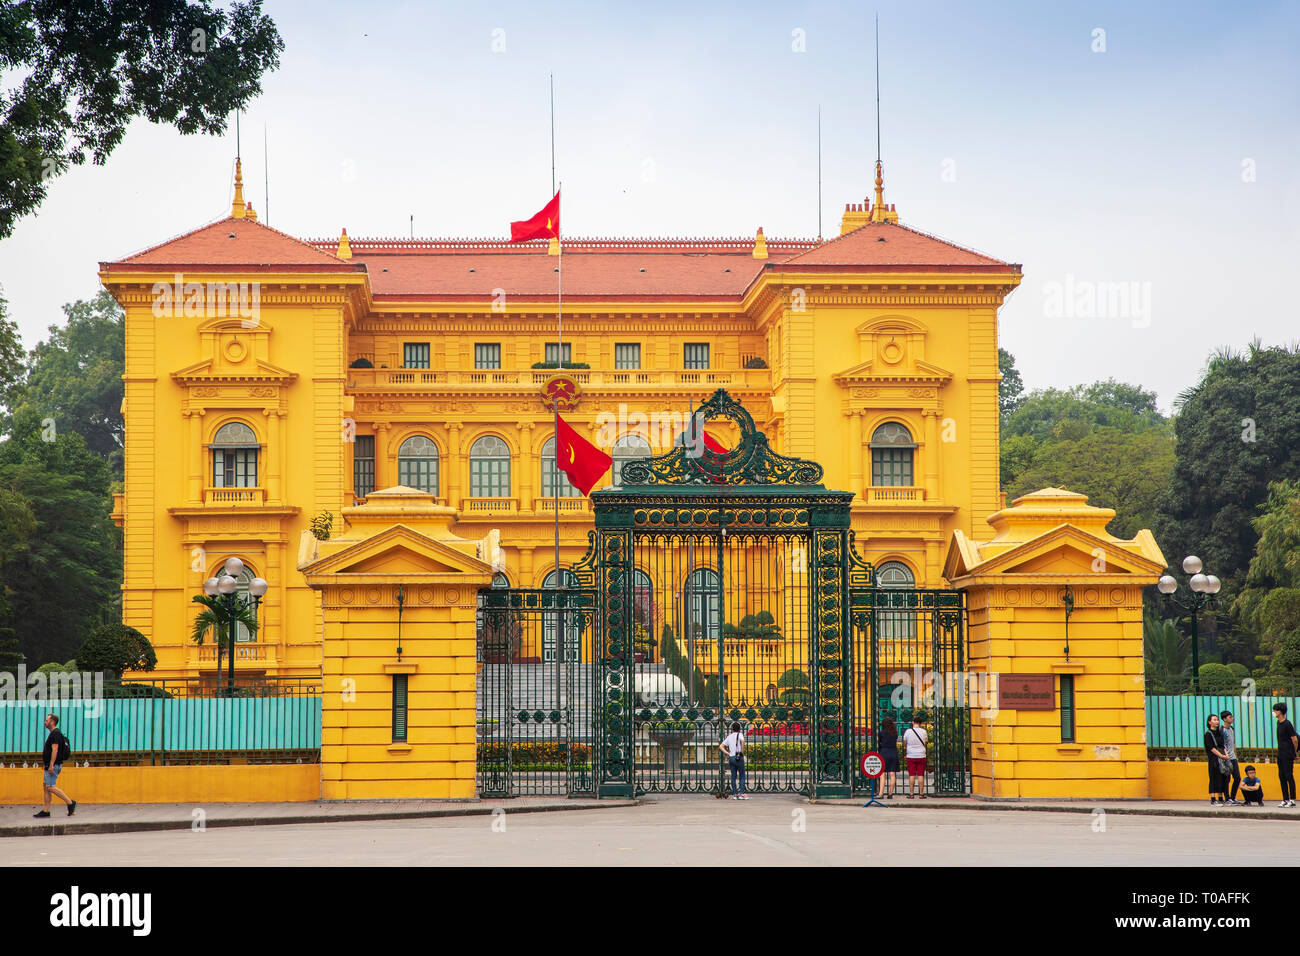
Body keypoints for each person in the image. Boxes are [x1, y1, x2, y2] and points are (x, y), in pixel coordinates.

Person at [34, 713, 75, 819]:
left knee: (50, 787)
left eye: (47, 721)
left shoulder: (55, 734)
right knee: (46, 787)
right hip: (49, 765)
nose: (45, 722)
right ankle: (46, 811)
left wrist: (51, 765)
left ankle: (70, 802)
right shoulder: (54, 733)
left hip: (53, 765)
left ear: (52, 722)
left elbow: (55, 749)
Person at [1273, 702, 1297, 807]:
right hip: (1280, 753)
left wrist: (1294, 752)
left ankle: (1292, 799)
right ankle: (1285, 799)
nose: (1273, 712)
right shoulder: (1278, 723)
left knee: (1289, 776)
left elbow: (1294, 739)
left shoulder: (1287, 724)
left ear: (1279, 711)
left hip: (1288, 754)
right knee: (1281, 776)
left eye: (1275, 710)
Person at [1204, 714, 1229, 806]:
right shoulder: (1208, 734)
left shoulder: (1219, 733)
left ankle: (1220, 797)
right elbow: (1211, 748)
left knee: (1222, 777)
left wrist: (1226, 754)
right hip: (1214, 759)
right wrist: (1221, 756)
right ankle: (1213, 799)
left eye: (1217, 720)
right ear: (1209, 722)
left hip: (1222, 758)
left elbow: (1223, 745)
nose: (1217, 721)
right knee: (1213, 778)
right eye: (1214, 720)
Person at [720, 721, 748, 800]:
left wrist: (728, 753)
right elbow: (742, 741)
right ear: (739, 729)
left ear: (732, 729)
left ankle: (735, 794)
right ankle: (741, 794)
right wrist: (741, 752)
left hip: (731, 757)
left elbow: (721, 746)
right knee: (742, 776)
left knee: (733, 776)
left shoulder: (729, 736)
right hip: (738, 757)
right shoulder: (740, 735)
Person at [902, 714, 928, 799]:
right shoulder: (924, 732)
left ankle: (911, 794)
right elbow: (926, 742)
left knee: (911, 775)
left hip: (911, 755)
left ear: (913, 722)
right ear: (921, 723)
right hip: (921, 755)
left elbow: (904, 743)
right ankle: (921, 794)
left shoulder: (908, 731)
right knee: (921, 775)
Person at [1220, 710, 1242, 804]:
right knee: (1227, 779)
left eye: (1232, 717)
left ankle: (1232, 797)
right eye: (1229, 717)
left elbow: (1233, 743)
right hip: (1226, 757)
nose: (1232, 718)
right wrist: (1225, 756)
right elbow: (1221, 745)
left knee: (1237, 778)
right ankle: (1227, 797)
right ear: (1224, 719)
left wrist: (1235, 754)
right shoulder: (1221, 730)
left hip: (1233, 757)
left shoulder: (1231, 728)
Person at [878, 717, 900, 799]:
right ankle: (890, 794)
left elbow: (879, 742)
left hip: (884, 752)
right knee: (892, 774)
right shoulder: (895, 733)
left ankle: (881, 793)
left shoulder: (881, 733)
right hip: (893, 752)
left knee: (882, 774)